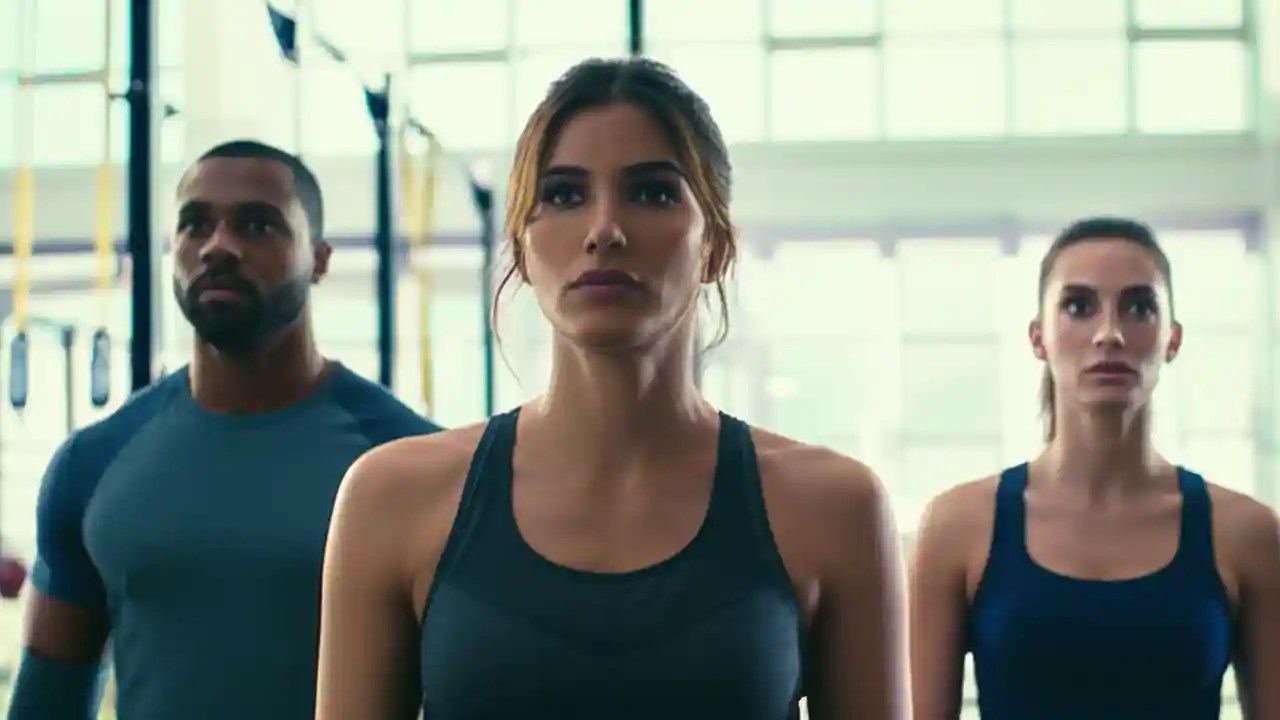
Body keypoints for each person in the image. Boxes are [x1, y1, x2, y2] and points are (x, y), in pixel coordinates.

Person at [314, 57, 909, 720]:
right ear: (522, 244)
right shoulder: (393, 498)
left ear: (715, 246)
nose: (604, 230)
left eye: (653, 192)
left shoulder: (832, 507)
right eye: (564, 194)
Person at [10, 139, 443, 720]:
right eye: (194, 226)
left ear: (318, 258)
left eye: (258, 225)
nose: (217, 247)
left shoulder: (412, 464)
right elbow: (46, 702)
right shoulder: (92, 466)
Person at [909, 217, 1280, 719]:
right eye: (1079, 306)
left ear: (1172, 338)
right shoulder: (958, 528)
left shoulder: (1247, 535)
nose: (1109, 333)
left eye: (1139, 307)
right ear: (1038, 338)